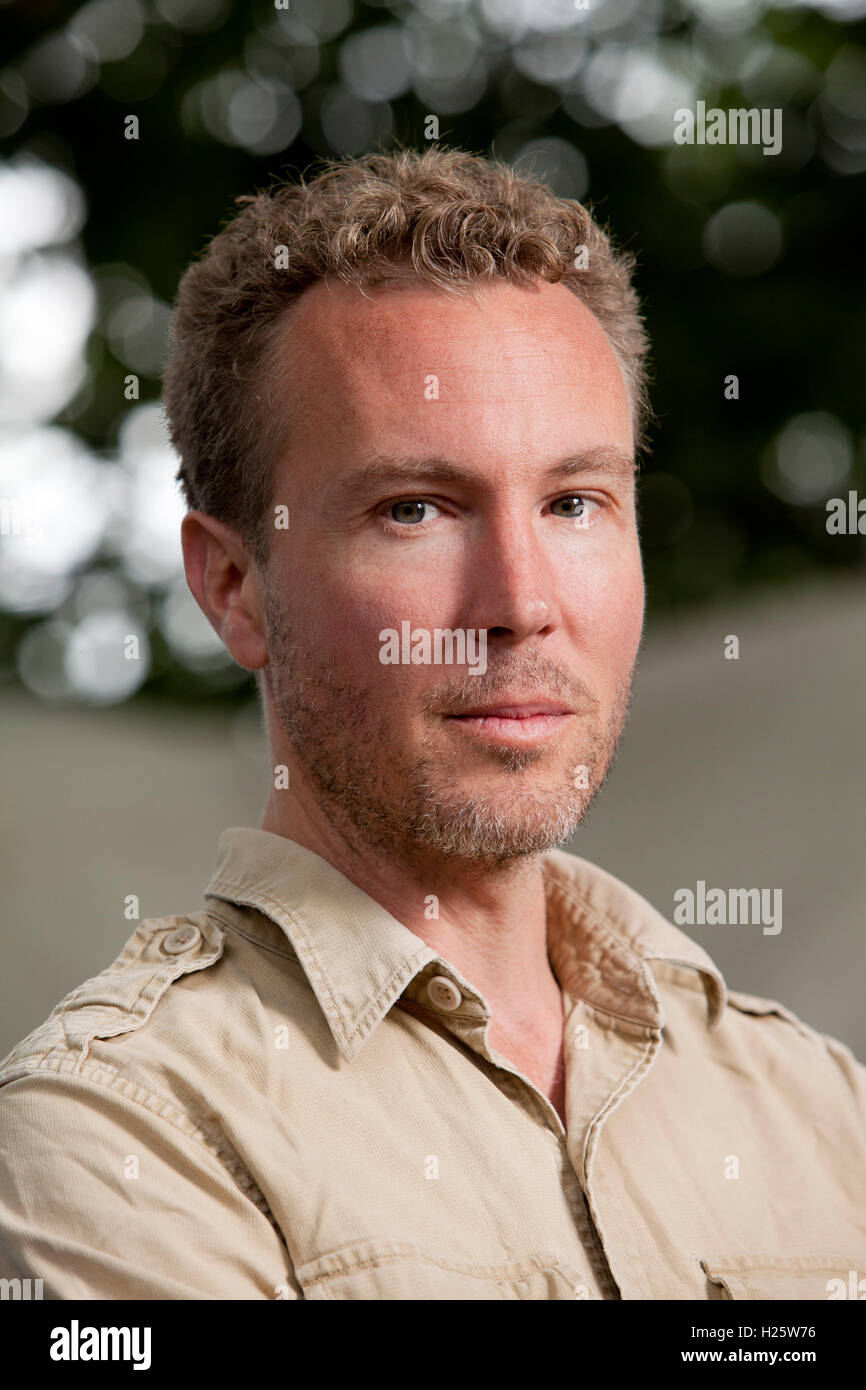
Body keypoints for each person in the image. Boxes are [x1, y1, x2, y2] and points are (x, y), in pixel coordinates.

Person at [1, 147, 864, 1301]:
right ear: (233, 587)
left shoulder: (814, 1104)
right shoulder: (120, 1131)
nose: (519, 604)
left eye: (572, 502)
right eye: (415, 509)